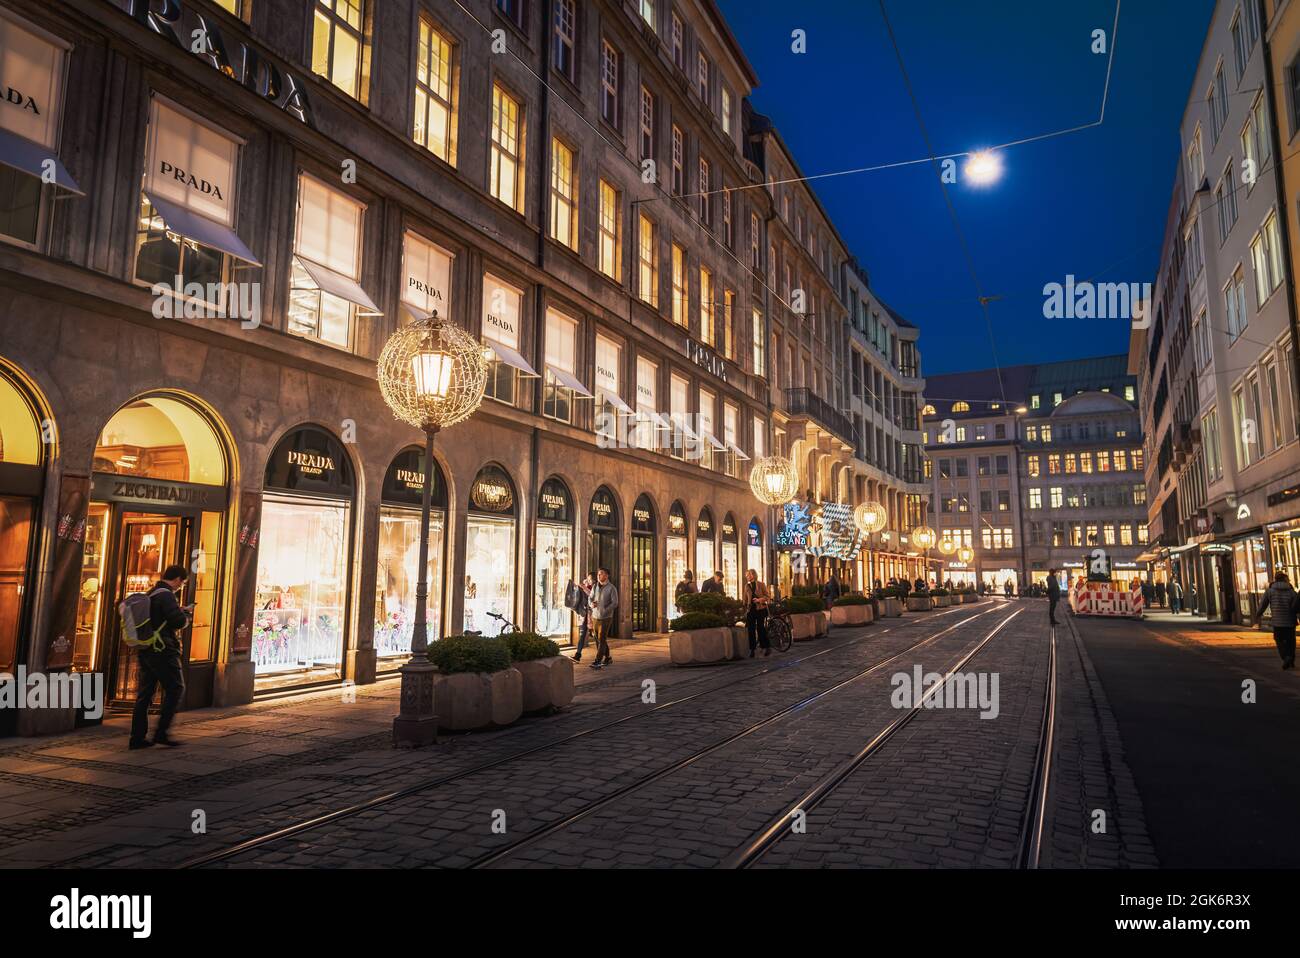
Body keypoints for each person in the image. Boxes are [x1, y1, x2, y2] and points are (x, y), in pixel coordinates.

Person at [129, 564, 191, 750]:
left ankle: (137, 737)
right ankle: (161, 732)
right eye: (182, 582)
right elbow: (177, 621)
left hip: (147, 648)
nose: (181, 586)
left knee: (145, 694)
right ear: (178, 579)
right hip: (162, 650)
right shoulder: (166, 594)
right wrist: (185, 614)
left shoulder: (152, 592)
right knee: (175, 688)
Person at [1254, 571, 1299, 670]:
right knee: (1291, 641)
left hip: (1277, 622)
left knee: (1279, 641)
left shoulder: (1270, 591)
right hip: (1290, 621)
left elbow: (1263, 605)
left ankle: (1285, 657)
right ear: (1286, 580)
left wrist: (1258, 614)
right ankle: (1291, 659)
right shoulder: (1292, 592)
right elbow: (1296, 607)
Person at [588, 567, 619, 669]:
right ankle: (608, 657)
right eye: (598, 574)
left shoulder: (611, 588)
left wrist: (605, 610)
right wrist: (591, 604)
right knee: (598, 638)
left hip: (606, 617)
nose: (598, 575)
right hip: (595, 616)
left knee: (602, 638)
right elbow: (590, 598)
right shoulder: (595, 586)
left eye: (601, 574)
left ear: (606, 575)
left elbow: (615, 603)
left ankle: (598, 661)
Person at [742, 569, 771, 658]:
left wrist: (759, 600)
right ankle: (752, 649)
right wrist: (744, 608)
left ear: (753, 575)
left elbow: (767, 596)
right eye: (746, 575)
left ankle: (766, 647)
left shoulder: (761, 584)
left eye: (748, 575)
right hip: (751, 610)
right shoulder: (746, 586)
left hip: (760, 609)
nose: (747, 576)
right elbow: (745, 599)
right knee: (751, 629)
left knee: (760, 628)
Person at [570, 575, 593, 662]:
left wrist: (583, 587)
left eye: (589, 579)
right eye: (587, 578)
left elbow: (592, 595)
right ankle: (578, 655)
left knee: (598, 638)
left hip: (593, 616)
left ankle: (606, 656)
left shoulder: (595, 588)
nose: (587, 580)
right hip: (585, 615)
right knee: (582, 635)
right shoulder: (585, 587)